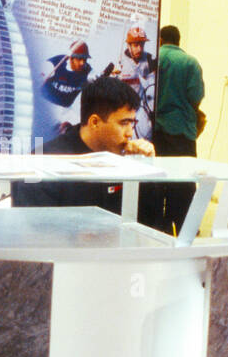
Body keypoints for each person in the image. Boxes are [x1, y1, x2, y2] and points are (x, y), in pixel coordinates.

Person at [10, 76, 157, 219]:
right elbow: (33, 230)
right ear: (94, 122)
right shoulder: (43, 162)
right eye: (124, 123)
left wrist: (146, 171)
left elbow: (147, 223)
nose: (130, 133)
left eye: (132, 123)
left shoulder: (124, 159)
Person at [150, 25, 204, 235]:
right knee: (183, 181)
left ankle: (155, 227)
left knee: (156, 180)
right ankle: (183, 227)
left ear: (161, 39)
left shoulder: (154, 60)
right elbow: (196, 96)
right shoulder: (190, 62)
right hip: (182, 131)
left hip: (155, 132)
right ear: (179, 40)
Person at [118, 25, 156, 138]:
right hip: (123, 107)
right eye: (135, 45)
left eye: (142, 45)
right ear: (128, 45)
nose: (139, 49)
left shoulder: (150, 59)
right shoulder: (119, 62)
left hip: (141, 107)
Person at [39, 40, 93, 109]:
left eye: (85, 59)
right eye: (79, 59)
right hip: (46, 104)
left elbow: (100, 80)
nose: (82, 63)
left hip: (67, 110)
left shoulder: (89, 72)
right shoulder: (54, 64)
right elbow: (36, 81)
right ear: (71, 58)